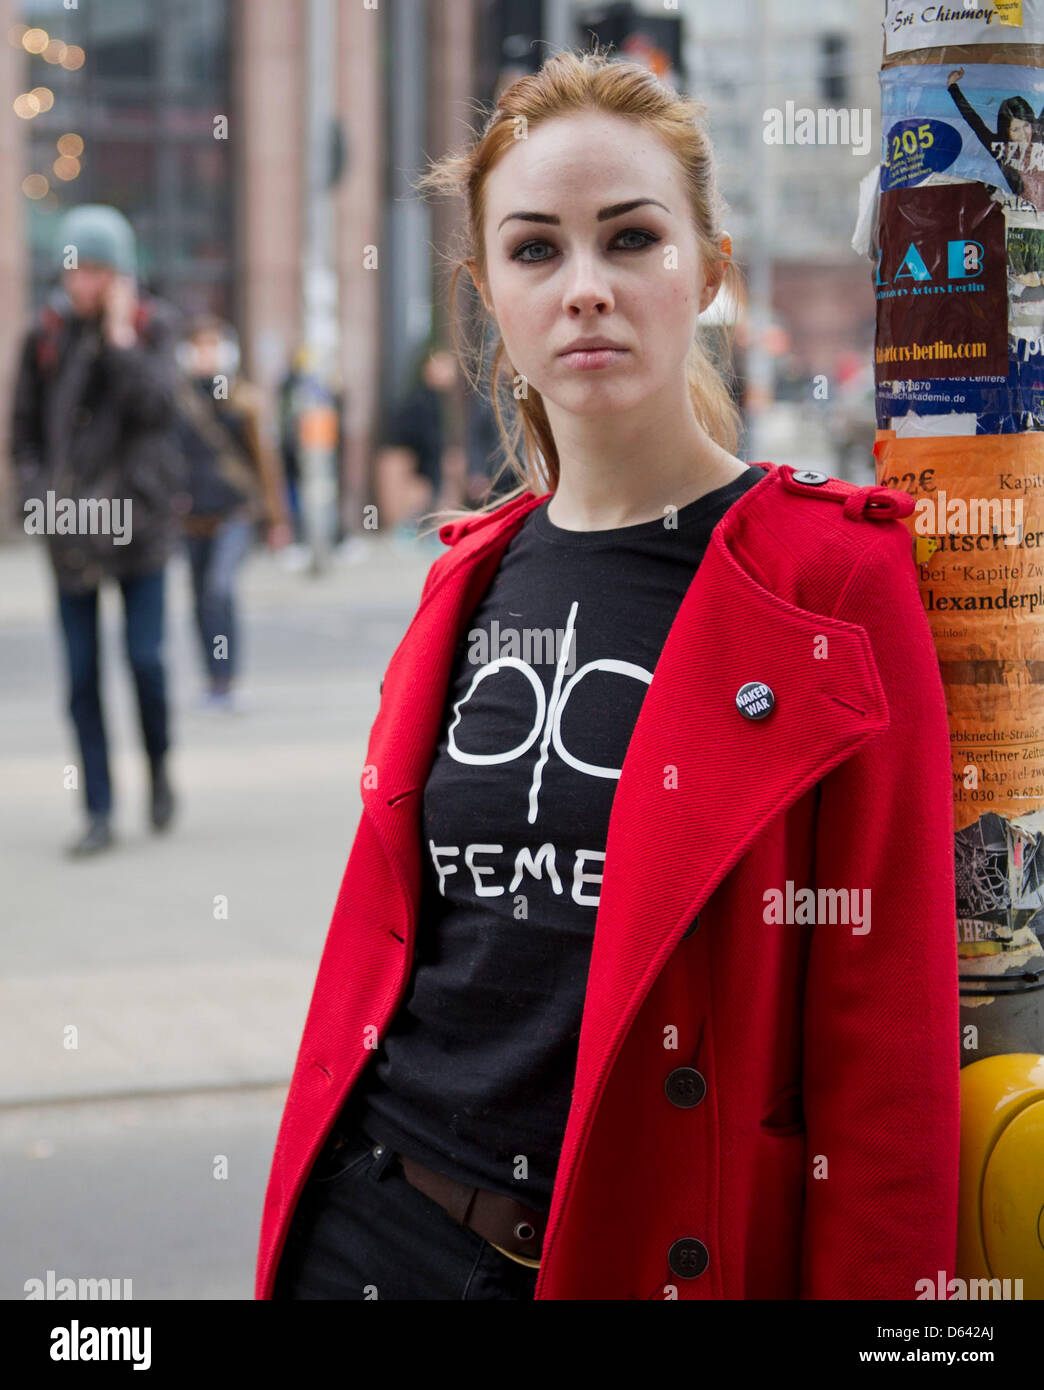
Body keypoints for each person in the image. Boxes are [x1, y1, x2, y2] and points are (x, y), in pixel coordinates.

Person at [257, 50, 959, 1301]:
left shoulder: (829, 582)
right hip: (370, 1229)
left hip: (630, 1254)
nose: (585, 288)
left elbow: (887, 1062)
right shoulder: (465, 577)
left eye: (629, 239)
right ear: (489, 296)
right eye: (536, 251)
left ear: (711, 273)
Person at [11, 204, 185, 856]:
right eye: (78, 268)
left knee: (145, 663)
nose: (87, 281)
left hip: (139, 526)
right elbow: (24, 431)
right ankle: (99, 810)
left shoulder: (152, 328)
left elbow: (159, 407)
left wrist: (119, 342)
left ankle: (160, 767)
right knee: (81, 678)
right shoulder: (46, 336)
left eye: (101, 270)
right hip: (71, 532)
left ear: (122, 275)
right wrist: (39, 498)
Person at [174, 314, 292, 710]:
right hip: (191, 517)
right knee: (197, 599)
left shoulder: (244, 401)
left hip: (235, 514)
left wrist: (278, 520)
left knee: (219, 591)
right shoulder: (179, 399)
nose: (205, 355)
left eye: (212, 346)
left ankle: (226, 678)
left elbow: (266, 464)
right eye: (198, 346)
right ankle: (211, 677)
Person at [946, 67, 1044, 210]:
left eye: (1026, 125)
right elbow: (973, 119)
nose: (1023, 134)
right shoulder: (999, 148)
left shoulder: (1037, 135)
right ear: (1007, 131)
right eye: (1015, 129)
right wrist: (952, 86)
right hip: (1029, 213)